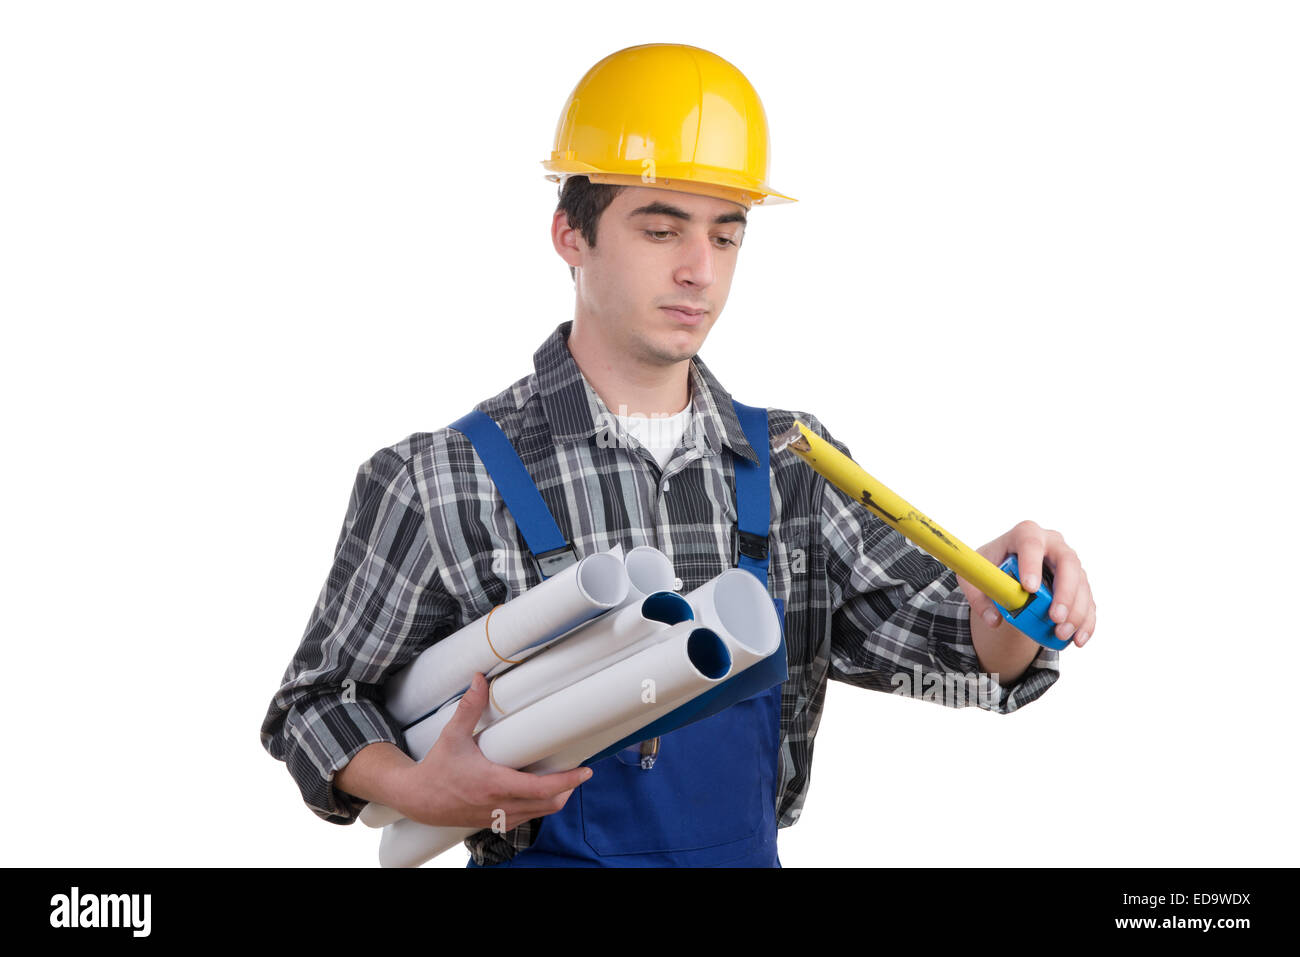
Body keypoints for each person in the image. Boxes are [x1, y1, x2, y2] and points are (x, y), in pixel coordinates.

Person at [259, 43, 1096, 867]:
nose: (699, 271)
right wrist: (413, 790)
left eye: (726, 238)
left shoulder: (793, 464)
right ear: (570, 235)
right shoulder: (441, 481)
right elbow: (312, 707)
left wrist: (1004, 607)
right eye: (661, 229)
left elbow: (950, 656)